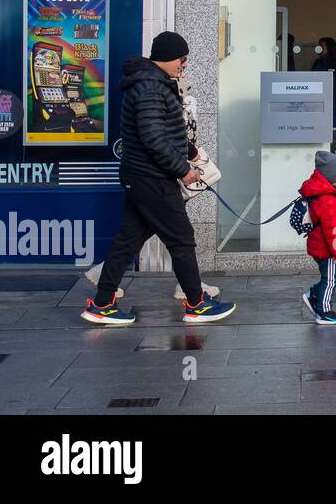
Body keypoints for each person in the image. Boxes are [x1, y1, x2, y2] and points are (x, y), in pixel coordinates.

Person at [82, 32, 236, 325]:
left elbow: (159, 131)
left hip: (140, 177)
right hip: (153, 179)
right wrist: (182, 168)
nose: (185, 65)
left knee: (127, 241)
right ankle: (197, 304)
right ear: (167, 57)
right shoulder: (151, 87)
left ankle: (101, 303)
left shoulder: (149, 83)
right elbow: (152, 137)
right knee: (181, 240)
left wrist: (188, 150)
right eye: (182, 58)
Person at [299, 150, 336, 326]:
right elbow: (332, 227)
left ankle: (314, 295)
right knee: (330, 279)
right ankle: (324, 311)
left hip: (330, 245)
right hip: (326, 248)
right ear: (331, 176)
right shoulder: (326, 199)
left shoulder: (330, 193)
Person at [311, 37, 336, 126]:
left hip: (332, 99)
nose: (321, 49)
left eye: (323, 46)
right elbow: (312, 78)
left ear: (330, 48)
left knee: (333, 125)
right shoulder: (318, 62)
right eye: (320, 46)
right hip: (317, 99)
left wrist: (329, 91)